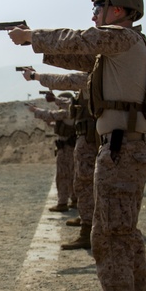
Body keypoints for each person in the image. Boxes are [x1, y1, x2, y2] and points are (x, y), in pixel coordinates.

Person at [7, 0, 146, 291]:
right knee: (124, 230)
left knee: (109, 234)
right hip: (126, 147)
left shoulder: (121, 39)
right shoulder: (124, 49)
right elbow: (78, 64)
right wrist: (39, 61)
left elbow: (80, 40)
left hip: (121, 150)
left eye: (99, 9)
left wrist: (31, 36)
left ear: (118, 11)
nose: (93, 16)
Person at [22, 68, 98, 250]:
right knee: (80, 180)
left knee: (74, 179)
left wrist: (36, 78)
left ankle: (82, 218)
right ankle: (85, 216)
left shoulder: (88, 84)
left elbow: (60, 109)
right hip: (77, 143)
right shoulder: (83, 97)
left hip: (75, 145)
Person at [27, 92, 77, 213]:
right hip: (69, 148)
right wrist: (50, 122)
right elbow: (57, 122)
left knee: (62, 176)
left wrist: (35, 110)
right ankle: (75, 200)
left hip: (66, 148)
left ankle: (62, 202)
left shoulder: (67, 112)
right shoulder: (73, 113)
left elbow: (50, 114)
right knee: (72, 175)